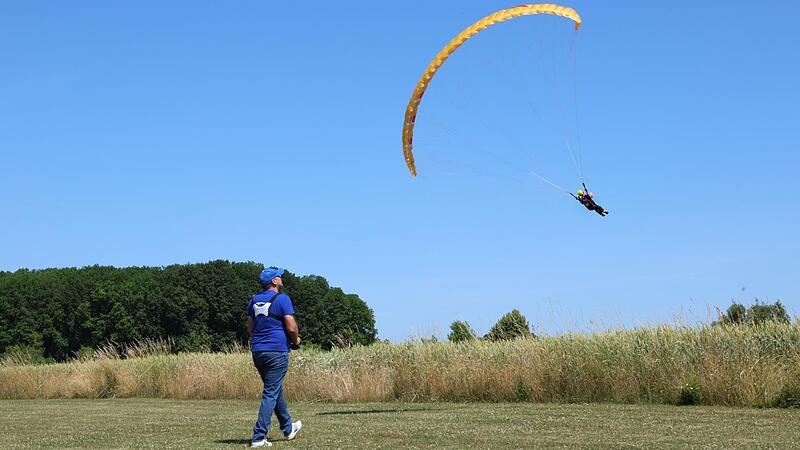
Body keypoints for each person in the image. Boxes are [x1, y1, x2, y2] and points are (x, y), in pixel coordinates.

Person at [247, 267, 303, 447]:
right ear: (274, 282)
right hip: (277, 351)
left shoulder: (254, 301)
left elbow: (250, 327)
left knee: (274, 390)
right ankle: (258, 437)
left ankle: (288, 429)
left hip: (258, 351)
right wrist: (296, 341)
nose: (281, 278)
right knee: (271, 393)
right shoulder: (282, 299)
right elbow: (292, 327)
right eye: (279, 276)